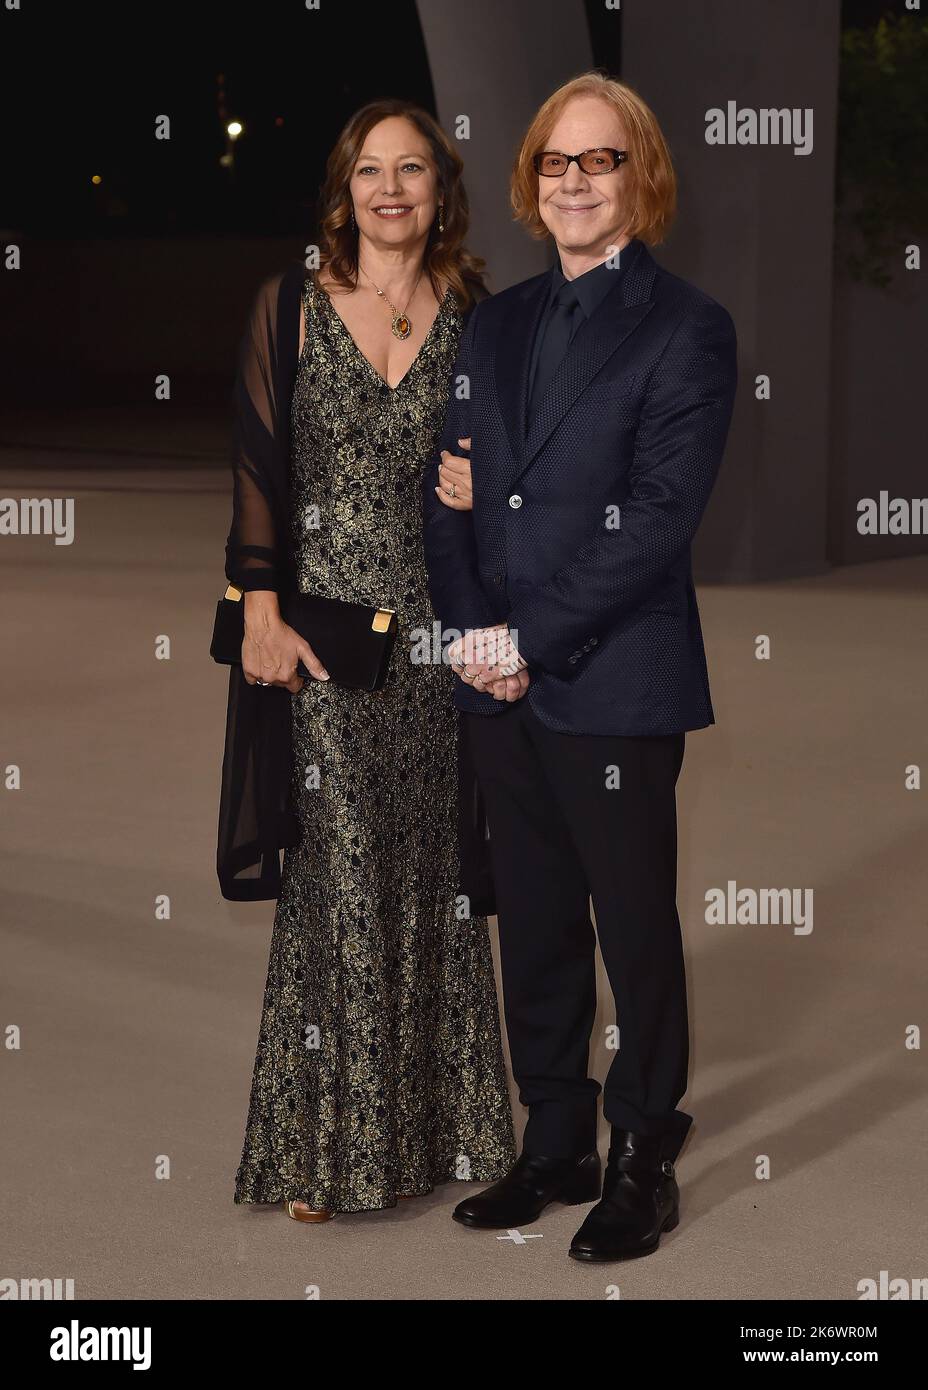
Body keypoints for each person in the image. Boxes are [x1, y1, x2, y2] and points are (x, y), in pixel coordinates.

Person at [423, 72, 737, 1261]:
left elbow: (655, 520)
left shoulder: (687, 326)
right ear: (530, 182)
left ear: (638, 178)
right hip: (496, 675)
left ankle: (642, 1155)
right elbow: (447, 493)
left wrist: (527, 637)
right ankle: (551, 1140)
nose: (572, 181)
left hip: (611, 677)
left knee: (632, 922)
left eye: (597, 161)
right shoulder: (492, 323)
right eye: (555, 162)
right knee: (536, 914)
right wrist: (469, 635)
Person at [223, 99, 517, 1222]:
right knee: (341, 868)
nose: (389, 190)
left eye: (411, 171)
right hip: (326, 638)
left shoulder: (477, 316)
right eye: (368, 172)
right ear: (343, 192)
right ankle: (326, 1150)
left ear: (441, 191)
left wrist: (491, 490)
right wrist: (259, 605)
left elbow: (507, 457)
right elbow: (254, 463)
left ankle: (448, 1128)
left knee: (433, 874)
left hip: (439, 634)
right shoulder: (289, 304)